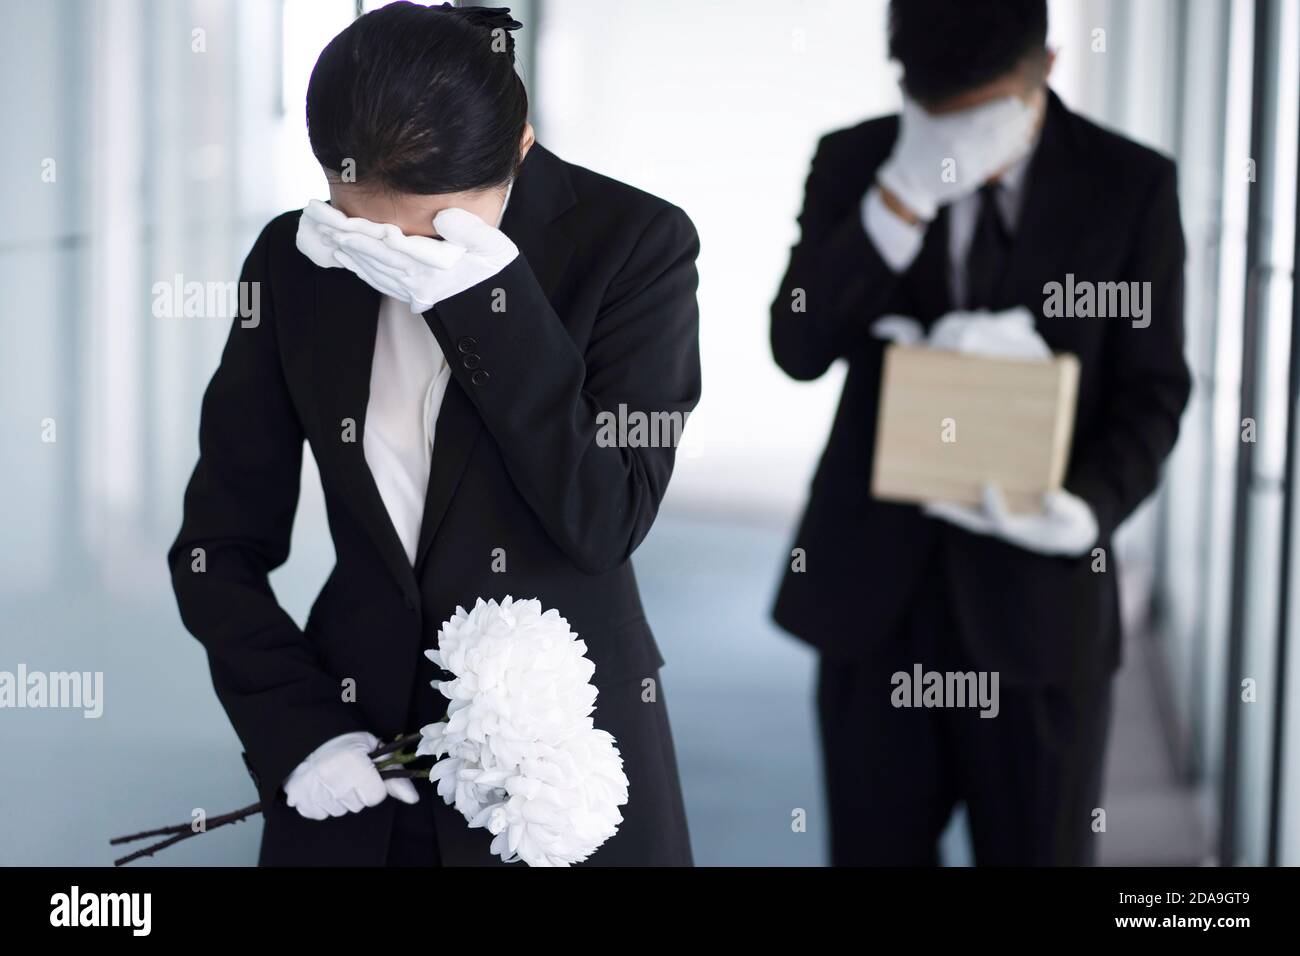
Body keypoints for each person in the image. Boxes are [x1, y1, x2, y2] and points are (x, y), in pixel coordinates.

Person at [169, 2, 698, 866]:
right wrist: (297, 726)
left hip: (555, 760)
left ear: (519, 147)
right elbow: (216, 544)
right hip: (357, 748)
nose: (389, 253)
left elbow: (603, 522)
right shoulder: (296, 260)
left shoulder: (636, 245)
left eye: (430, 232)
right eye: (364, 223)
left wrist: (491, 311)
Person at [770, 0, 1191, 865]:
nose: (953, 126)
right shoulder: (858, 160)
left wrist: (1087, 507)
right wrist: (901, 200)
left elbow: (1155, 388)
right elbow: (798, 345)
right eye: (934, 106)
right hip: (877, 602)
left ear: (1048, 64)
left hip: (1040, 613)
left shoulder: (1130, 183)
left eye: (978, 106)